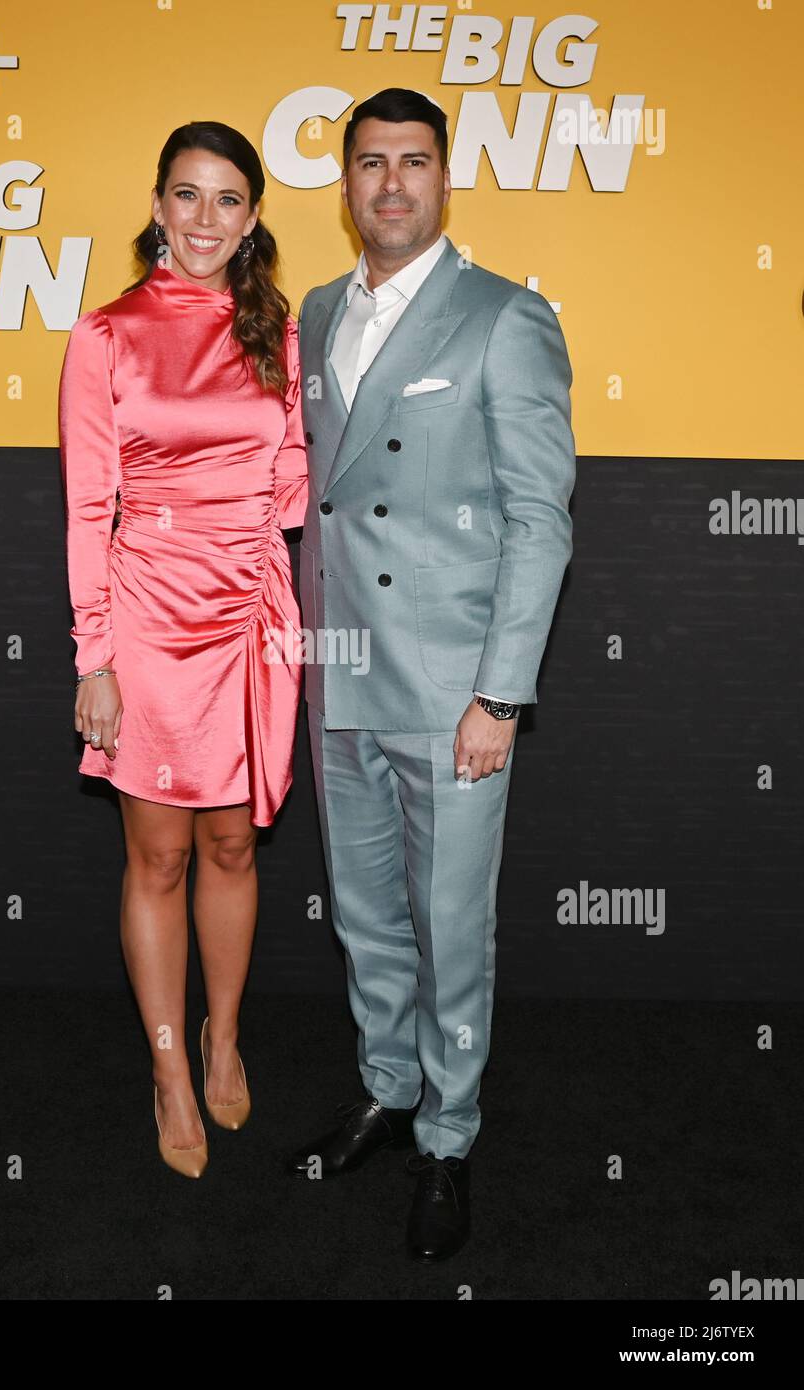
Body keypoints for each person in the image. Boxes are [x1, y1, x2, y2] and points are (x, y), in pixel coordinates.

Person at [287, 88, 576, 1261]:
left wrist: (501, 695)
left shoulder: (504, 316)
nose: (391, 184)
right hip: (337, 670)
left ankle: (449, 1137)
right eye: (370, 164)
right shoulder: (311, 313)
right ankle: (388, 1087)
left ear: (445, 179)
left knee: (450, 926)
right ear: (345, 185)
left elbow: (540, 519)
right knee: (366, 918)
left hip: (455, 689)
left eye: (413, 163)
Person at [58, 121, 307, 1180]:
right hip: (147, 618)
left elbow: (294, 473)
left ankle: (221, 1034)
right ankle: (167, 1066)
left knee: (235, 846)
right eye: (187, 196)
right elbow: (85, 506)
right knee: (156, 854)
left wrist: (260, 524)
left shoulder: (275, 328)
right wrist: (94, 656)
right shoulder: (104, 334)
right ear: (157, 205)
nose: (206, 220)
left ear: (252, 217)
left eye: (229, 201)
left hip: (251, 609)